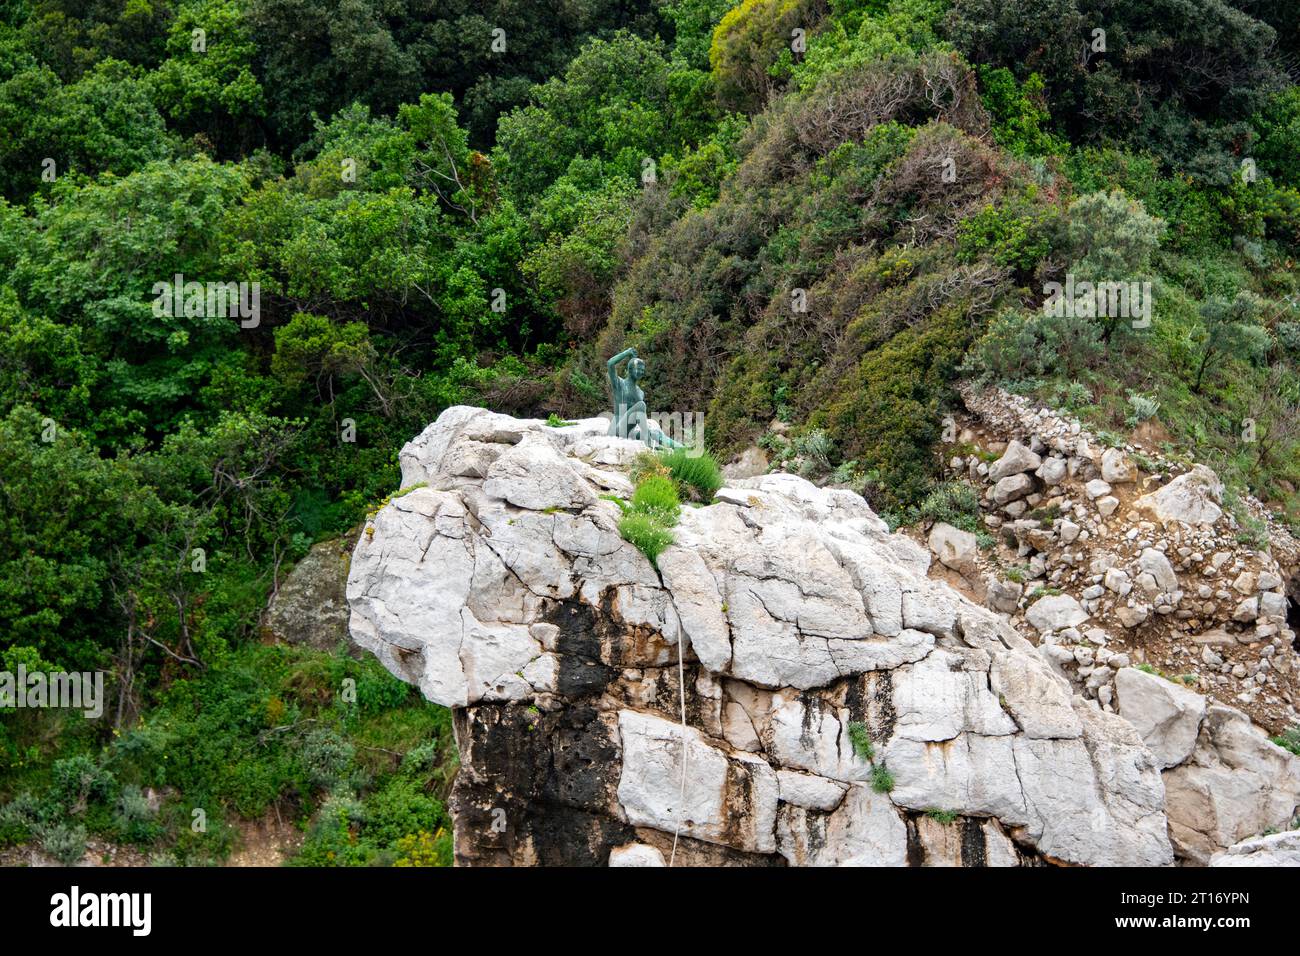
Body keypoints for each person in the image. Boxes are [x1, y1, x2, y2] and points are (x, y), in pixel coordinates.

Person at [606, 347, 681, 447]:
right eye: (638, 369)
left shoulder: (640, 392)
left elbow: (639, 418)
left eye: (642, 370)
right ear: (630, 369)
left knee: (655, 433)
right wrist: (626, 353)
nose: (641, 372)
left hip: (629, 434)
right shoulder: (619, 384)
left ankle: (681, 448)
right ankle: (648, 442)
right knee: (641, 405)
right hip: (616, 431)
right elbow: (610, 364)